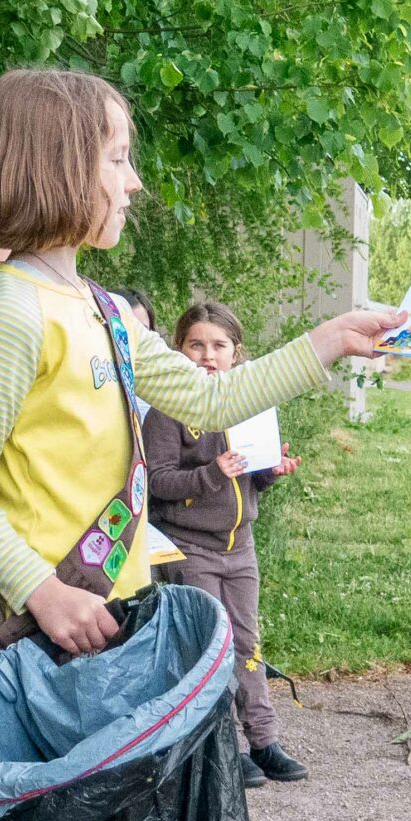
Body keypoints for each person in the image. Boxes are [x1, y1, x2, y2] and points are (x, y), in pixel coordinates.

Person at [0, 68, 403, 663]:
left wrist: (331, 339)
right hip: (32, 620)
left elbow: (211, 400)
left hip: (109, 600)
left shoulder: (104, 309)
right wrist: (43, 593)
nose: (136, 183)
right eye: (118, 160)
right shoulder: (14, 312)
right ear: (60, 169)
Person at [147, 302, 307, 787]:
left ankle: (263, 739)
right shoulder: (168, 410)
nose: (208, 356)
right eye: (196, 344)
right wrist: (209, 474)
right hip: (189, 546)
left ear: (237, 354)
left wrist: (271, 473)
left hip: (241, 547)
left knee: (247, 642)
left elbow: (248, 483)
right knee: (210, 650)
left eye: (219, 346)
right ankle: (221, 749)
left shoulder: (248, 406)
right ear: (179, 350)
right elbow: (156, 482)